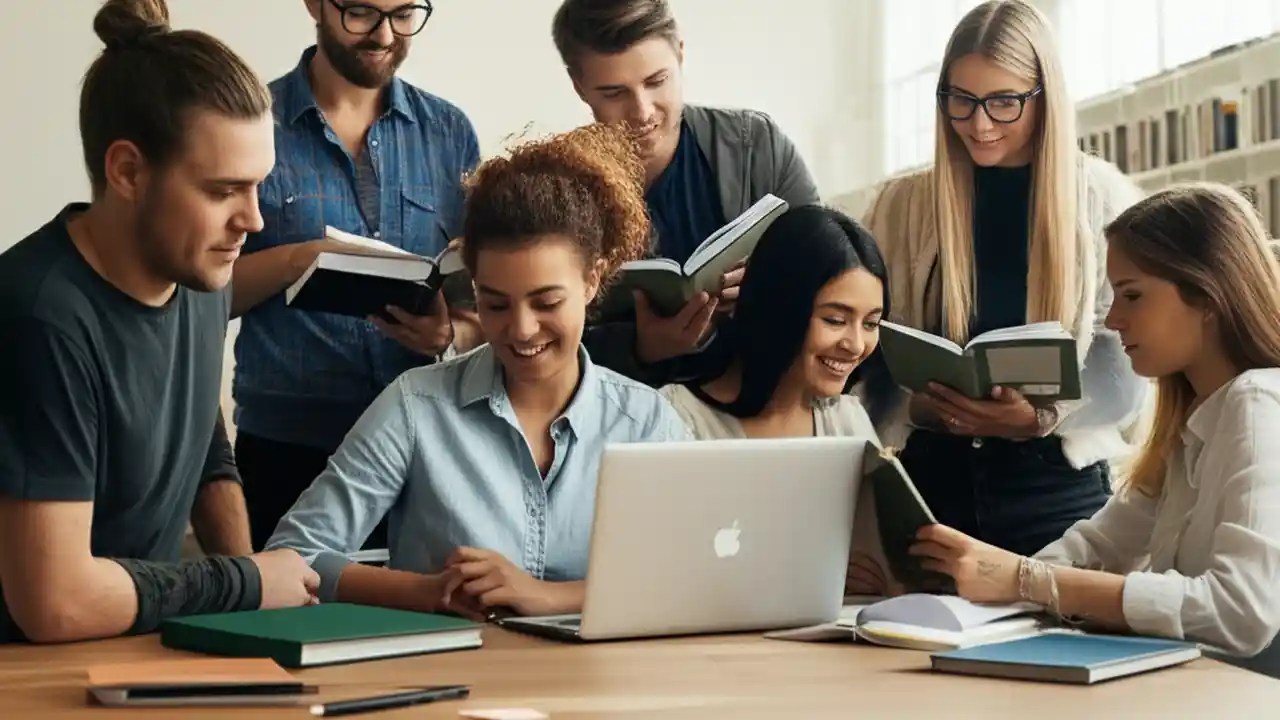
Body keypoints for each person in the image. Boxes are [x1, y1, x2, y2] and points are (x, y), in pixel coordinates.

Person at [265, 123, 690, 618]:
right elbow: (293, 556)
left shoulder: (648, 423)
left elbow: (694, 573)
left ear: (593, 279)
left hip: (606, 686)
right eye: (495, 304)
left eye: (546, 301)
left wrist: (546, 597)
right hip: (449, 680)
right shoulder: (416, 407)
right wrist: (429, 592)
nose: (522, 329)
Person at [0, 0, 319, 644]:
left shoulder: (199, 274)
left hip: (136, 651)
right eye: (223, 190)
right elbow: (54, 602)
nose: (253, 220)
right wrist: (248, 583)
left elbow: (204, 443)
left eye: (258, 185)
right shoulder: (39, 317)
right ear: (127, 172)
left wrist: (249, 579)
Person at [910, 183, 1280, 665]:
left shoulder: (1257, 404)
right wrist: (998, 578)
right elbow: (1102, 543)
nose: (1116, 318)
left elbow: (1241, 612)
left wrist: (1028, 580)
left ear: (1207, 295)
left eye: (1131, 295)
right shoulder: (1191, 423)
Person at [863, 0, 1148, 558]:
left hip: (1056, 493)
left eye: (1004, 102)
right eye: (960, 101)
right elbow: (868, 360)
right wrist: (918, 408)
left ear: (1047, 98)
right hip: (928, 489)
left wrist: (1037, 419)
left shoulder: (1103, 200)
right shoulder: (900, 207)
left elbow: (1128, 377)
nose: (980, 124)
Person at [229, 0, 481, 551]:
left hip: (421, 440)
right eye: (363, 11)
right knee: (279, 624)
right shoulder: (251, 124)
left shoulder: (449, 132)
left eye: (406, 12)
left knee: (418, 628)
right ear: (316, 4)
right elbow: (204, 295)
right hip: (284, 447)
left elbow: (480, 301)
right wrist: (300, 259)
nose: (385, 34)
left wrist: (448, 337)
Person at [550, 0, 821, 385]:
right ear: (579, 86)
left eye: (657, 81)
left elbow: (835, 273)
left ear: (680, 53)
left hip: (758, 399)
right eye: (614, 93)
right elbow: (532, 340)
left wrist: (773, 283)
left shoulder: (756, 148)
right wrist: (639, 348)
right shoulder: (552, 189)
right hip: (622, 416)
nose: (642, 111)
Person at [657, 204, 897, 595]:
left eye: (870, 323)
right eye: (835, 320)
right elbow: (662, 572)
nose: (856, 344)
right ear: (782, 308)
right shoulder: (674, 420)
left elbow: (878, 569)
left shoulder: (849, 422)